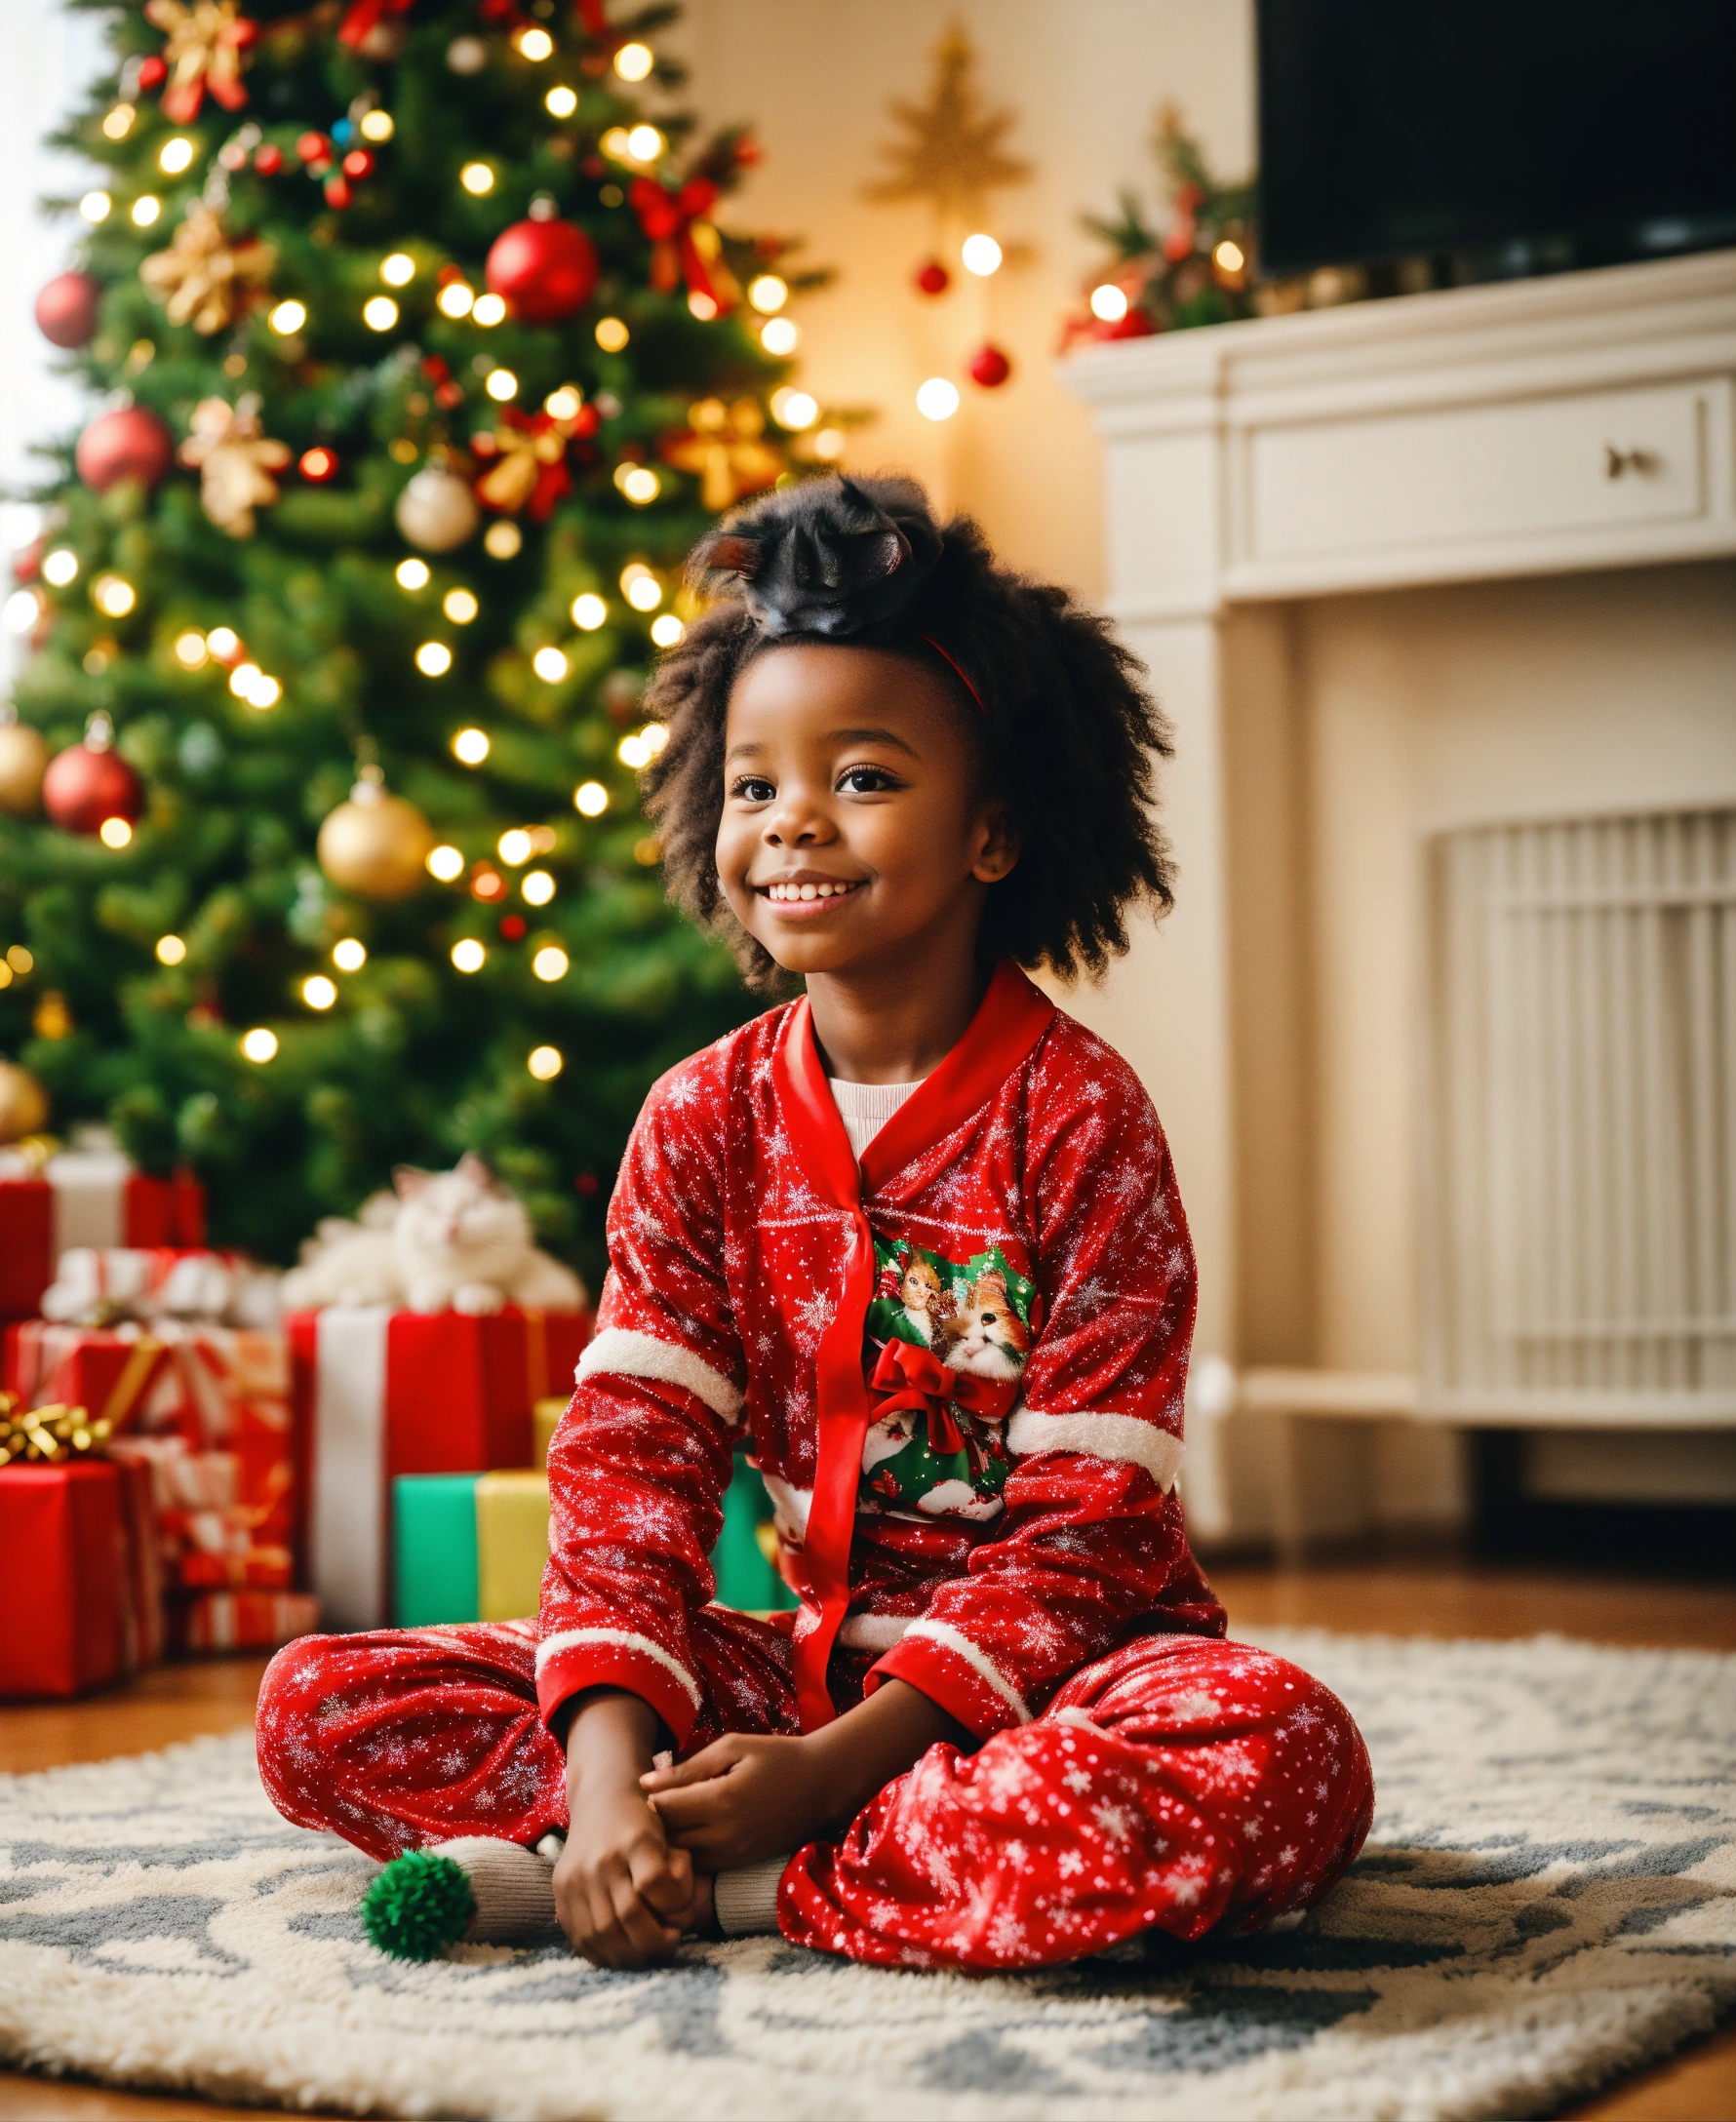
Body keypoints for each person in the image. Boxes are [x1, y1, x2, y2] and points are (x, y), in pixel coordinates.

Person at [257, 475, 1372, 1973]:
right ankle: (667, 1848)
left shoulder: (1083, 1118)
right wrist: (601, 1783)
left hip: (1051, 1689)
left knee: (1284, 1752)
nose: (790, 823)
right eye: (752, 783)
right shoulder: (698, 1119)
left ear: (992, 834)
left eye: (860, 778)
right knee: (321, 1704)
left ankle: (753, 1884)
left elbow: (1091, 1543)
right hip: (771, 1676)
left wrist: (842, 1766)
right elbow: (633, 1467)